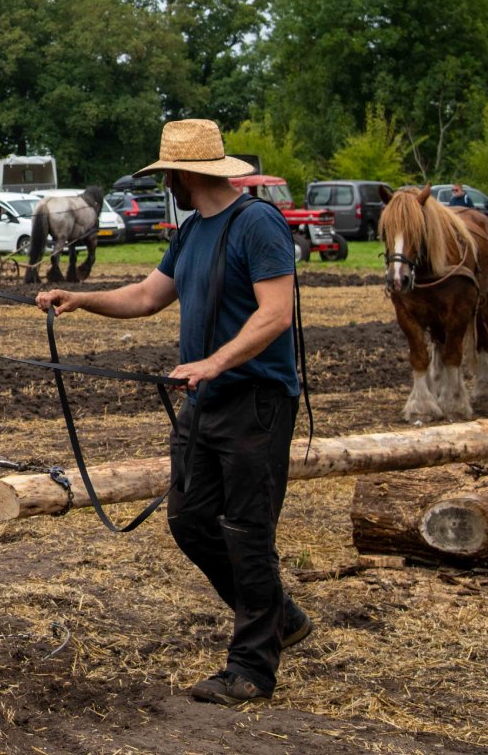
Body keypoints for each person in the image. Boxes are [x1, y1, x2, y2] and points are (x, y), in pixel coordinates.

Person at [35, 119, 309, 707]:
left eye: (167, 177)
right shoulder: (190, 233)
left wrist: (214, 362)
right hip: (204, 403)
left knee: (248, 533)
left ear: (186, 175)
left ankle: (252, 669)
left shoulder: (257, 222)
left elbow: (276, 313)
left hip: (255, 401)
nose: (166, 187)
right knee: (189, 522)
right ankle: (279, 614)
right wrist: (79, 299)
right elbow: (146, 296)